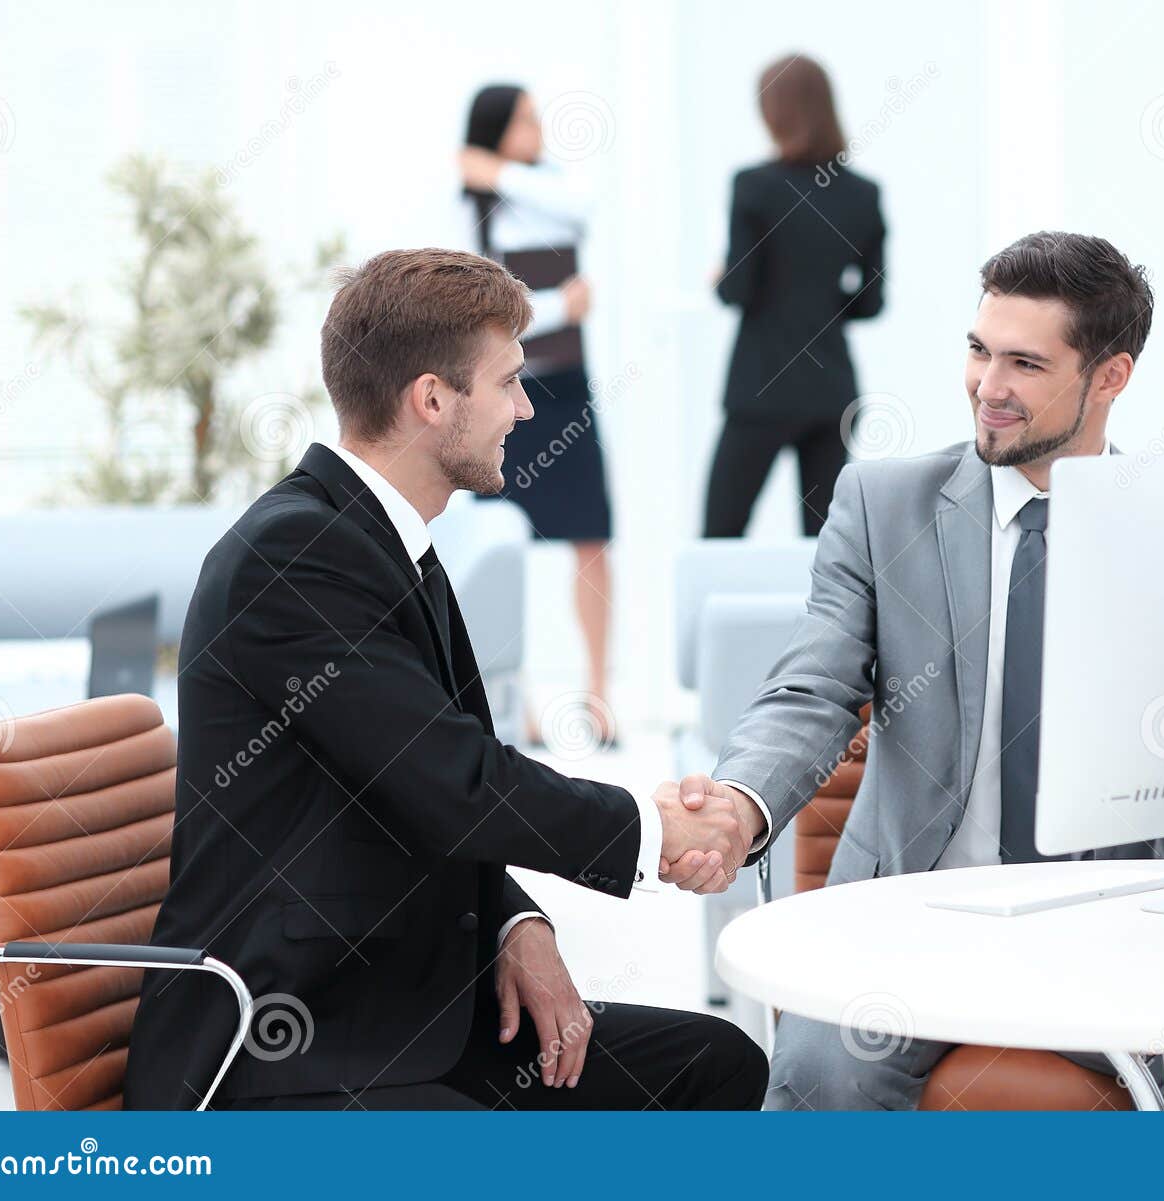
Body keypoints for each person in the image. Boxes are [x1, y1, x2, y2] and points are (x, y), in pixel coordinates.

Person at [124, 249, 767, 1111]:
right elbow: (453, 783)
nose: (526, 407)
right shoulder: (295, 559)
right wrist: (656, 830)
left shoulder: (378, 540)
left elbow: (402, 785)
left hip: (406, 1010)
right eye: (508, 383)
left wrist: (515, 921)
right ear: (432, 399)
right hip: (290, 1050)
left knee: (713, 1062)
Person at [661, 232, 1164, 1110]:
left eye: (1026, 362)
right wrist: (739, 802)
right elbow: (813, 688)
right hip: (913, 922)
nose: (988, 388)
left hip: (1116, 932)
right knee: (822, 1075)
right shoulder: (883, 505)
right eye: (979, 350)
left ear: (1111, 377)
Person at [456, 84, 617, 745]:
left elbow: (582, 205)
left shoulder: (540, 188)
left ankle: (600, 697)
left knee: (592, 536)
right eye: (524, 119)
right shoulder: (466, 207)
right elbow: (477, 308)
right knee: (503, 542)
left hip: (567, 389)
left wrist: (495, 169)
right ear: (496, 125)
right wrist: (556, 307)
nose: (538, 128)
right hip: (503, 392)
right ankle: (511, 701)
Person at [703, 53, 887, 538]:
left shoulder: (755, 187)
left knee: (721, 534)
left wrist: (720, 279)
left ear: (774, 112)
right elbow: (871, 302)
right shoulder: (863, 194)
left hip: (761, 387)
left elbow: (738, 290)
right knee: (825, 549)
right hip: (831, 391)